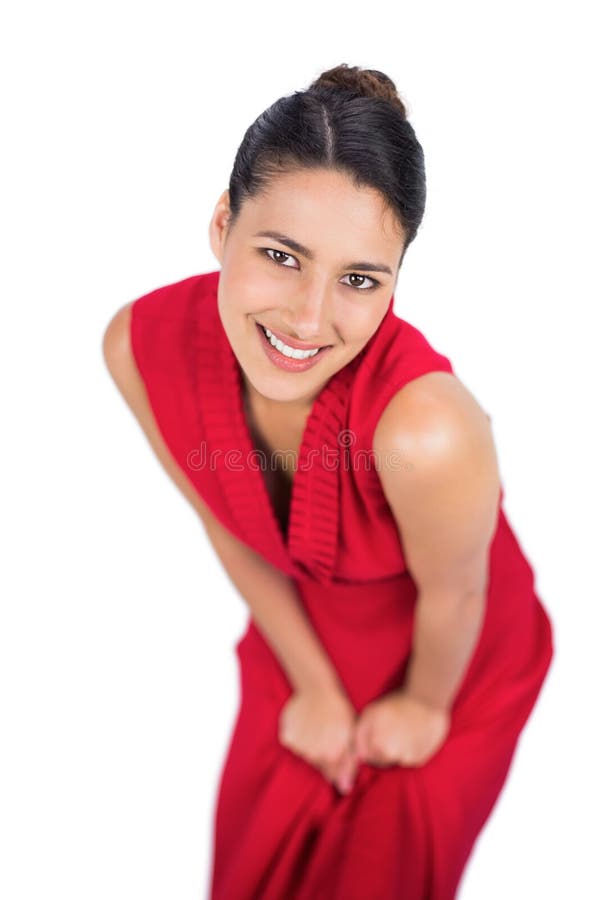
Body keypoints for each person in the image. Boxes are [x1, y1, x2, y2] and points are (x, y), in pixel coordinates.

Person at [102, 63, 555, 900]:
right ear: (220, 222)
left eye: (358, 280)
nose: (309, 320)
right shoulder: (140, 346)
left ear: (395, 283)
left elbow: (458, 595)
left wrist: (421, 710)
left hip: (451, 665)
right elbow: (220, 523)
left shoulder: (429, 430)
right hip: (296, 632)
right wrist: (313, 683)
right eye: (280, 256)